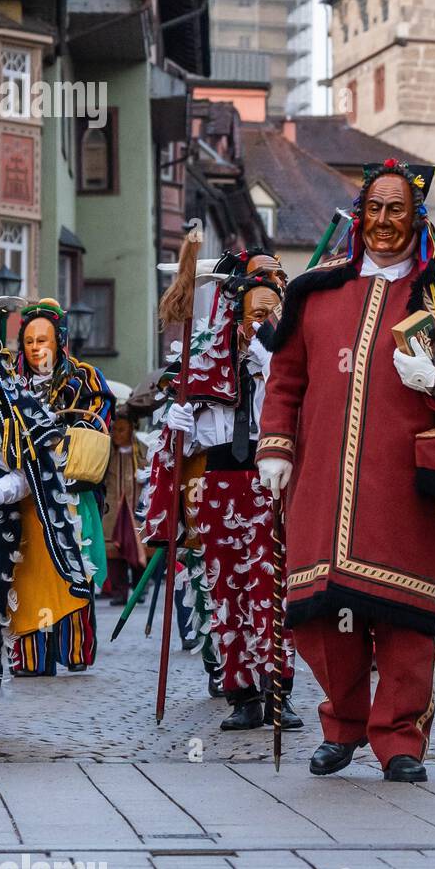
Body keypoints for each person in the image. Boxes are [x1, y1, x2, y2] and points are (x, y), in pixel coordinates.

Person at [257, 159, 435, 782]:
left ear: (416, 217)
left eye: (396, 209)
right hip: (319, 481)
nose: (382, 221)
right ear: (360, 215)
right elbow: (286, 379)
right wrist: (275, 447)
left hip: (404, 486)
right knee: (321, 614)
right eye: (373, 208)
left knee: (405, 619)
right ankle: (343, 724)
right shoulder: (317, 290)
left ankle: (399, 738)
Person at [144, 249, 302, 732]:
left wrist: (264, 349)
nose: (263, 320)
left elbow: (298, 406)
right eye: (254, 312)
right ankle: (241, 694)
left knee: (269, 588)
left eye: (270, 311)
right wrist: (176, 424)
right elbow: (182, 444)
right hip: (217, 486)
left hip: (266, 483)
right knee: (225, 591)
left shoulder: (284, 357)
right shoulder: (205, 358)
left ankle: (279, 690)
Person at [8, 299, 113, 679]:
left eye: (45, 340)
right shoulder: (10, 382)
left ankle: (73, 649)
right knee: (29, 572)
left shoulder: (84, 379)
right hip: (26, 499)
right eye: (30, 340)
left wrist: (63, 434)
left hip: (71, 496)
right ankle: (33, 656)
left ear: (61, 341)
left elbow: (100, 422)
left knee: (73, 566)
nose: (37, 348)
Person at [101, 408, 144, 606]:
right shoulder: (106, 451)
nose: (116, 434)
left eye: (121, 430)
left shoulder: (143, 450)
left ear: (131, 430)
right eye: (114, 430)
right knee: (114, 553)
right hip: (113, 508)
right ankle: (119, 592)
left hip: (136, 507)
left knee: (139, 549)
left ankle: (139, 589)